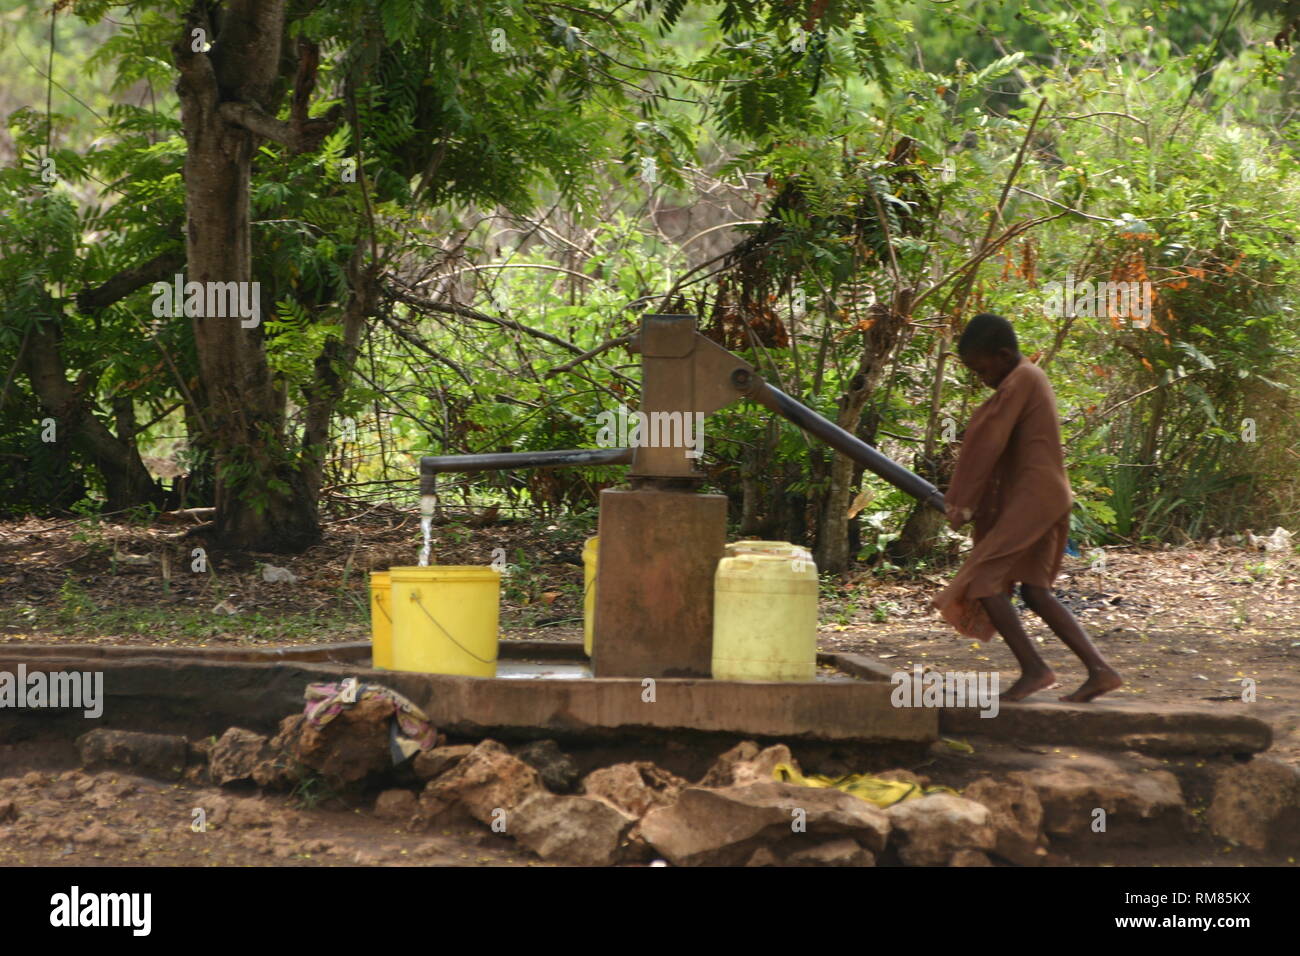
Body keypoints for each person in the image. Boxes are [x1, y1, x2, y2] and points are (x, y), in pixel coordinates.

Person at [934, 313, 1122, 702]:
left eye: (981, 369)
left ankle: (1035, 669)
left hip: (1034, 498)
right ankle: (1100, 671)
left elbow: (988, 440)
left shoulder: (1022, 380)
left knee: (984, 581)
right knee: (1035, 592)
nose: (981, 378)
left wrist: (964, 501)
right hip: (1043, 495)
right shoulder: (1023, 380)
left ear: (1003, 356)